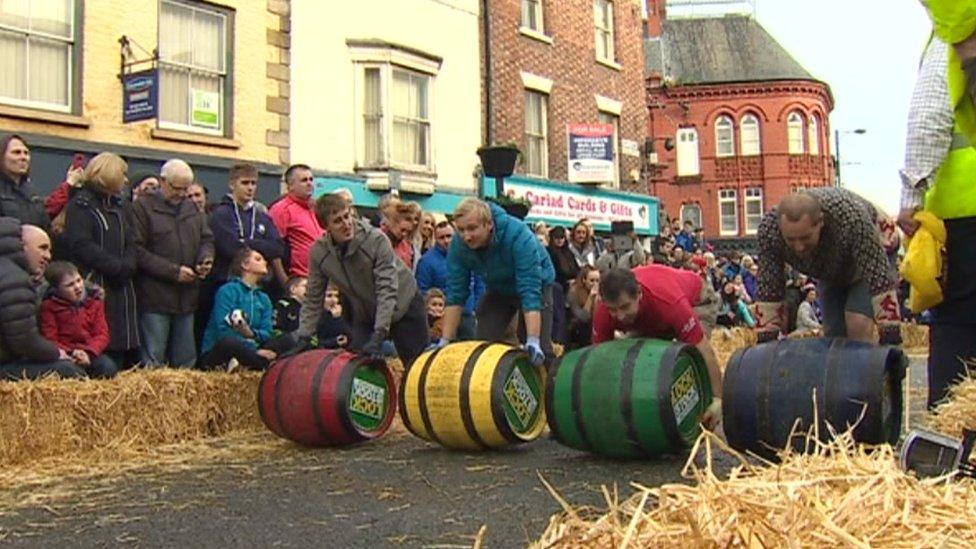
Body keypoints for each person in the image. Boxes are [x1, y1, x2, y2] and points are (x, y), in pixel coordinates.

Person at [898, 32, 976, 407]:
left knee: (958, 327)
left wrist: (912, 197)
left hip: (964, 215)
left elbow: (931, 115)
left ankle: (953, 441)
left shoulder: (955, 31)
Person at [754, 189, 902, 345]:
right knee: (834, 332)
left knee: (857, 322)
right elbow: (769, 286)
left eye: (805, 237)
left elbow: (879, 277)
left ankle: (867, 365)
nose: (799, 247)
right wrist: (767, 335)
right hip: (830, 266)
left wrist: (889, 330)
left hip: (876, 250)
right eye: (791, 240)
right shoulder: (769, 232)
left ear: (821, 222)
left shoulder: (851, 218)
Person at [296, 194, 428, 367]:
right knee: (358, 366)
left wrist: (379, 333)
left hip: (404, 304)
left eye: (347, 216)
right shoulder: (319, 253)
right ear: (325, 227)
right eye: (337, 221)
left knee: (416, 367)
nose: (346, 224)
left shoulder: (375, 240)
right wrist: (304, 336)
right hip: (366, 312)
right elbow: (314, 296)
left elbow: (387, 288)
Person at [433, 198, 556, 367]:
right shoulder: (458, 245)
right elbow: (456, 292)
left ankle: (550, 387)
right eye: (461, 230)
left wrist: (533, 339)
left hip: (536, 282)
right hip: (499, 287)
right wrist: (445, 341)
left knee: (537, 348)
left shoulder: (519, 235)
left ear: (489, 224)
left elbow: (529, 290)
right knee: (483, 343)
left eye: (472, 228)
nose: (466, 236)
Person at [594, 266, 723, 426]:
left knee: (689, 358)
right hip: (652, 318)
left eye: (625, 307)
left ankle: (696, 414)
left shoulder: (669, 303)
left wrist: (718, 399)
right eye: (612, 310)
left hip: (697, 300)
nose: (620, 316)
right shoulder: (603, 311)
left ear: (639, 293)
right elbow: (599, 358)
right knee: (638, 357)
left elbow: (704, 351)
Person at [133, 159, 214, 368]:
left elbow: (206, 239)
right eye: (177, 188)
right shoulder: (143, 208)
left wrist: (205, 259)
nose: (181, 194)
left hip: (187, 296)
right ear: (162, 181)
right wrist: (173, 272)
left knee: (186, 361)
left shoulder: (192, 209)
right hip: (155, 296)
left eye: (185, 189)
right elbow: (137, 250)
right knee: (153, 358)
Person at [63, 152, 141, 367]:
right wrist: (115, 267)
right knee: (104, 343)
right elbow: (80, 244)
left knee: (126, 349)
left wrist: (129, 265)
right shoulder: (81, 205)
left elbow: (132, 240)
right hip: (97, 283)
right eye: (123, 174)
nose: (126, 180)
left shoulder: (122, 206)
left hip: (124, 286)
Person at [0, 219, 83, 380]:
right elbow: (23, 340)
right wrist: (57, 353)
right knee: (70, 371)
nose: (48, 256)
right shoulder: (14, 279)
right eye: (43, 248)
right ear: (22, 246)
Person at [199, 248, 293, 371]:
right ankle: (265, 365)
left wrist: (251, 334)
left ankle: (251, 364)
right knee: (228, 343)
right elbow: (222, 329)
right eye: (258, 259)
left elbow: (267, 331)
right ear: (245, 265)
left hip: (251, 348)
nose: (264, 262)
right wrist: (254, 350)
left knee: (287, 339)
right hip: (222, 351)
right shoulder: (227, 291)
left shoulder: (264, 298)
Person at [39, 261, 117, 378]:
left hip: (90, 352)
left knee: (108, 367)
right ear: (56, 289)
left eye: (79, 280)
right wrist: (71, 352)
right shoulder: (49, 307)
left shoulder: (95, 302)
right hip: (66, 354)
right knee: (71, 371)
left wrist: (88, 353)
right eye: (70, 285)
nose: (78, 287)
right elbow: (50, 337)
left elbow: (101, 334)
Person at [415, 220, 484, 341]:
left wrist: (477, 308)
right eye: (441, 238)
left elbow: (479, 283)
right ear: (435, 239)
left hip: (468, 315)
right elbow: (422, 291)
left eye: (449, 236)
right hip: (442, 318)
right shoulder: (426, 261)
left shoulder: (470, 255)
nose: (446, 241)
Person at [268, 164, 324, 278]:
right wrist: (286, 283)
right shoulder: (281, 209)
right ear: (291, 186)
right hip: (299, 279)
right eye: (304, 180)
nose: (309, 183)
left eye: (311, 179)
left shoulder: (316, 208)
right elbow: (274, 249)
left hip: (323, 278)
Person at [0, 135, 50, 230]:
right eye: (16, 152)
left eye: (26, 153)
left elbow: (46, 226)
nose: (23, 157)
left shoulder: (32, 193)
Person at [566, 265, 600, 349]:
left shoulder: (601, 290)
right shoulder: (574, 293)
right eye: (592, 281)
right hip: (578, 328)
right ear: (584, 280)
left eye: (597, 281)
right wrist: (591, 298)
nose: (595, 284)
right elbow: (583, 317)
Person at [316, 284, 350, 349]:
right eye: (329, 296)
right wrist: (333, 342)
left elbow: (348, 338)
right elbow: (313, 342)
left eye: (336, 296)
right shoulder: (314, 317)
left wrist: (338, 319)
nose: (334, 300)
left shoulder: (337, 314)